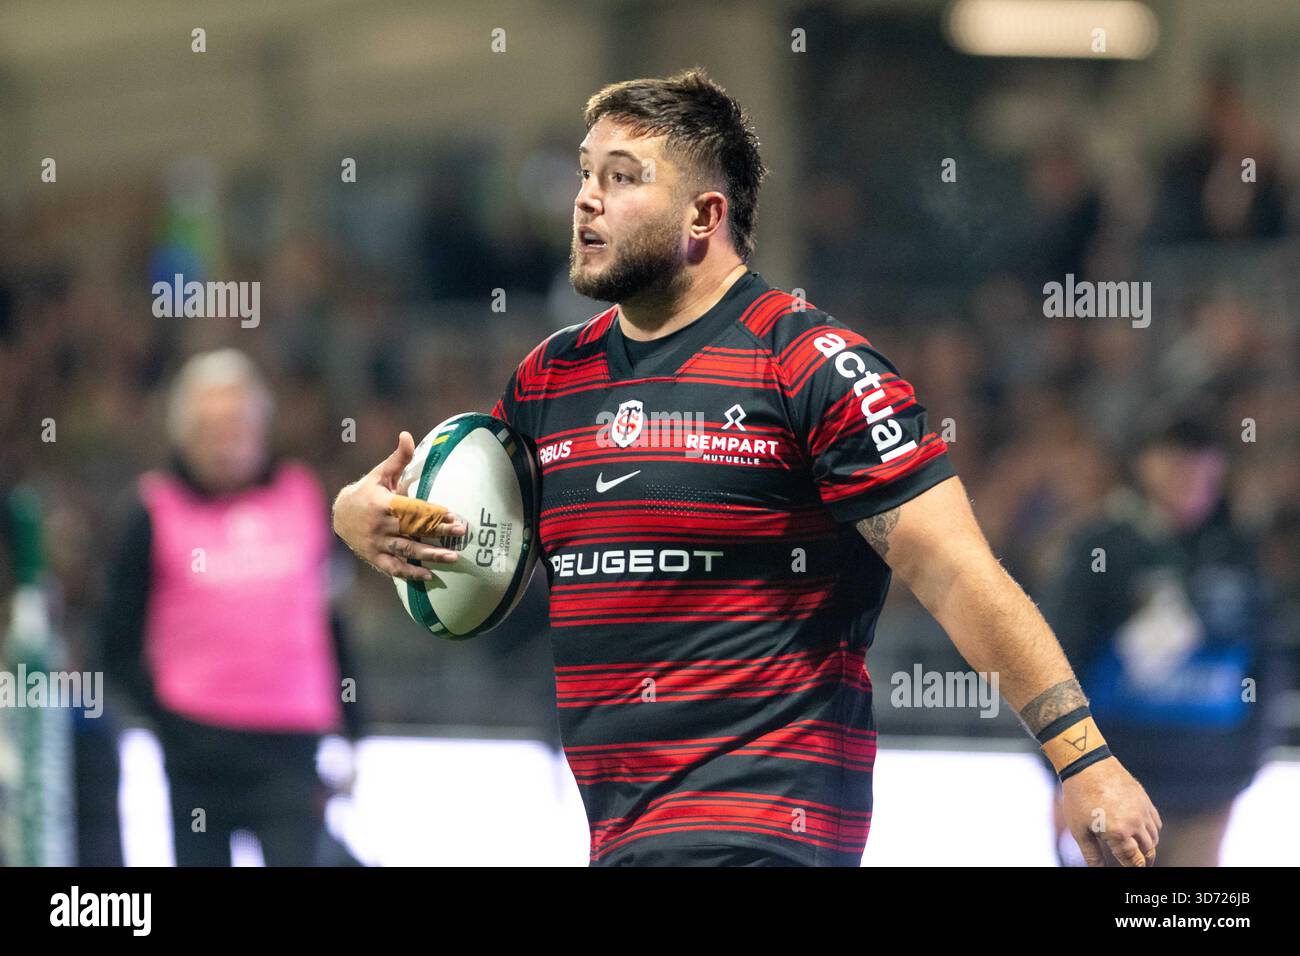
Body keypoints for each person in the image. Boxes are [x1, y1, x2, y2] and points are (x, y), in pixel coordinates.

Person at [333, 68, 1160, 867]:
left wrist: (1084, 759)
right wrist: (362, 519)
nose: (585, 197)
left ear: (705, 214)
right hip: (621, 834)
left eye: (622, 178)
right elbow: (480, 550)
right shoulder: (548, 383)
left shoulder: (812, 365)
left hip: (770, 826)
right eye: (586, 174)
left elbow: (956, 572)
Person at [102, 348, 362, 866]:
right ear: (184, 434)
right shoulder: (152, 509)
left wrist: (355, 728)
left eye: (238, 425)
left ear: (261, 428)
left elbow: (330, 618)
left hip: (290, 747)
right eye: (211, 428)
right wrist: (166, 719)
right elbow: (116, 637)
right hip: (196, 749)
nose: (227, 441)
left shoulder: (302, 495)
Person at [1043, 418, 1273, 866]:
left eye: (1202, 473)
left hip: (1207, 787)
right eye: (1178, 468)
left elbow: (1264, 665)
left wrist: (1243, 770)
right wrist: (1065, 774)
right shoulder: (1100, 549)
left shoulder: (1238, 552)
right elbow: (1054, 664)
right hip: (1115, 785)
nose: (1190, 484)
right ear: (1145, 466)